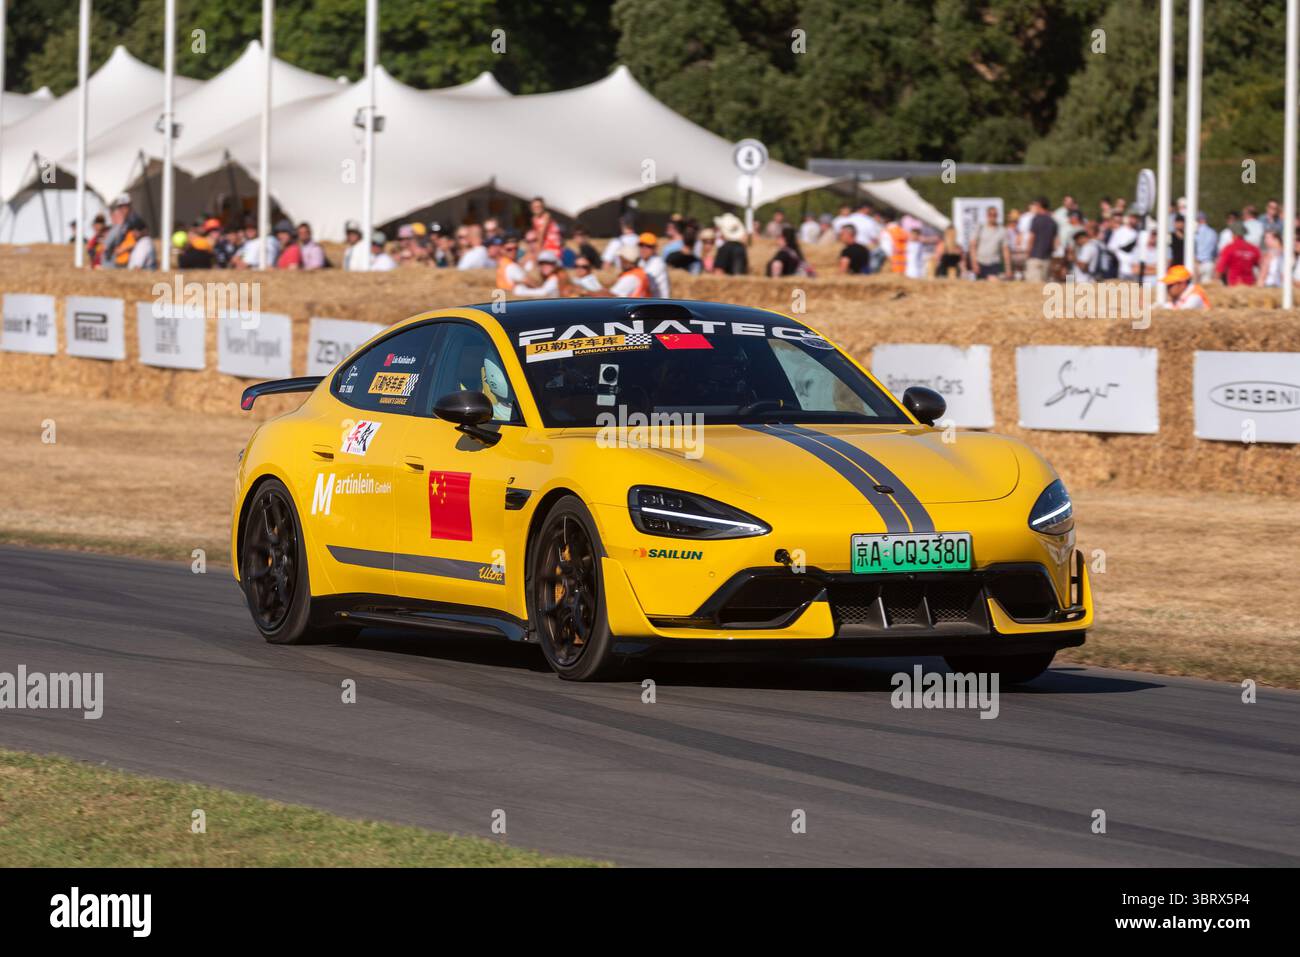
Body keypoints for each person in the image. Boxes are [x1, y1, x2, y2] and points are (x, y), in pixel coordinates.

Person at [970, 206, 1010, 280]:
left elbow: (1005, 250)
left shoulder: (1002, 230)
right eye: (990, 214)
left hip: (994, 263)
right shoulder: (980, 228)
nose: (992, 217)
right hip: (980, 262)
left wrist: (1008, 268)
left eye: (995, 215)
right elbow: (973, 246)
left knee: (993, 283)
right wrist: (974, 263)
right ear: (987, 215)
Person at [1024, 197, 1057, 283]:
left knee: (1033, 286)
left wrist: (1028, 253)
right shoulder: (1053, 221)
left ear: (1039, 206)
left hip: (1035, 257)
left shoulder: (1036, 219)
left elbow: (1032, 238)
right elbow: (1054, 242)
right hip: (1046, 258)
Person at [98, 194, 134, 269]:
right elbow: (104, 248)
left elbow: (104, 247)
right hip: (112, 264)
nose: (123, 210)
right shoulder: (117, 228)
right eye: (121, 207)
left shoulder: (129, 225)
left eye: (126, 207)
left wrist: (122, 249)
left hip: (119, 264)